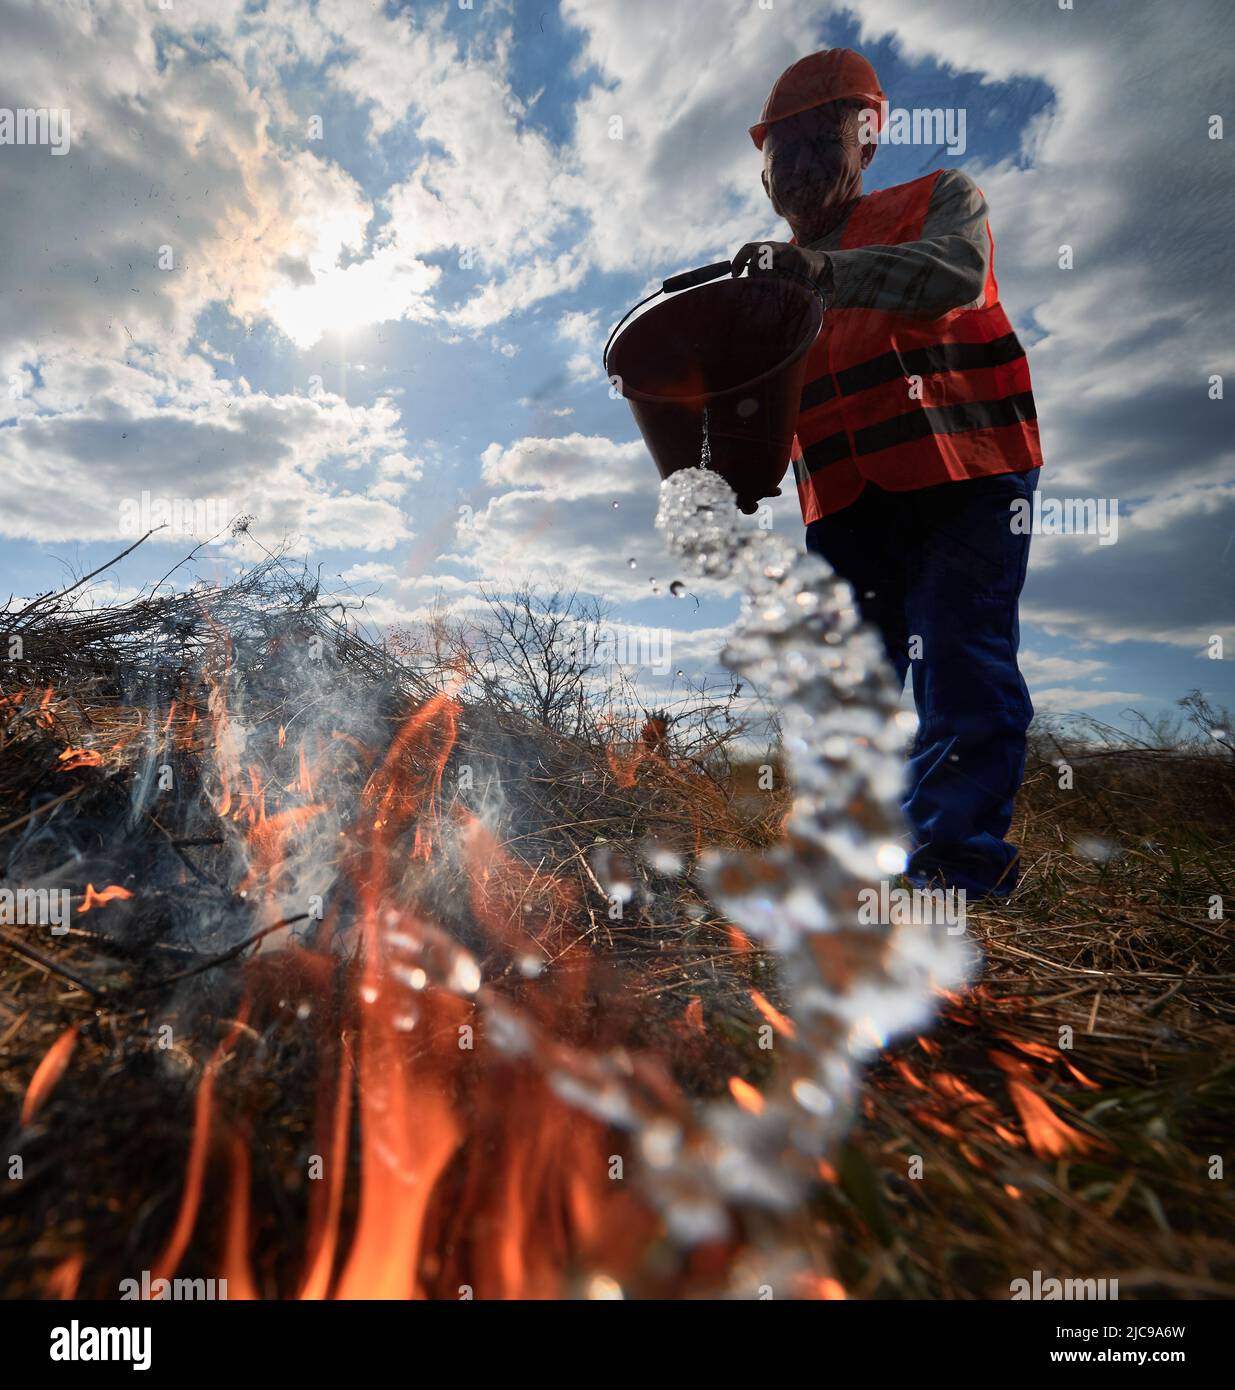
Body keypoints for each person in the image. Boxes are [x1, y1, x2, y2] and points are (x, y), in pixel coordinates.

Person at [732, 48, 1044, 898]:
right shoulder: (760, 285)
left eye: (817, 143)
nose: (798, 167)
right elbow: (747, 414)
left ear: (864, 145)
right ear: (763, 179)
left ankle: (952, 871)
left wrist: (823, 274)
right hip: (844, 504)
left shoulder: (938, 199)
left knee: (959, 658)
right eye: (780, 154)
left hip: (964, 478)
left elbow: (957, 274)